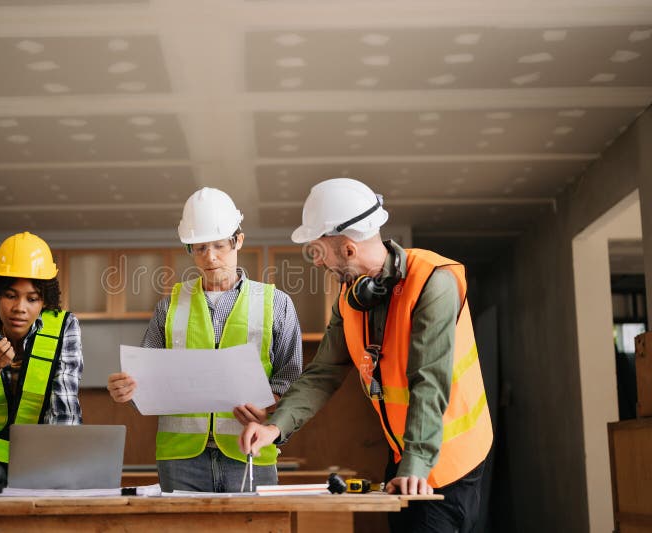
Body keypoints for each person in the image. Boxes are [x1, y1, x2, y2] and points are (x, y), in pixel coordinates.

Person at [239, 178, 492, 532]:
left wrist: (416, 466)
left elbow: (429, 381)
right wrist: (274, 427)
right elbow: (323, 373)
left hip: (447, 459)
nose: (318, 261)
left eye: (319, 249)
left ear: (347, 247)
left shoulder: (433, 283)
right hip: (404, 452)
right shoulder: (350, 299)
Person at [107, 187, 303, 492]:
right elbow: (145, 381)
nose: (209, 257)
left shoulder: (275, 303)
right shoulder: (169, 307)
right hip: (180, 458)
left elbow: (291, 379)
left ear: (238, 240)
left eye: (218, 246)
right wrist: (128, 390)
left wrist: (271, 406)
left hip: (249, 449)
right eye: (199, 248)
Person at [0, 231, 83, 470]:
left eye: (32, 299)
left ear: (45, 302)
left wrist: (62, 469)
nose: (20, 308)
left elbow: (64, 409)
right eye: (10, 296)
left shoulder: (65, 329)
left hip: (40, 467)